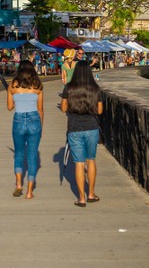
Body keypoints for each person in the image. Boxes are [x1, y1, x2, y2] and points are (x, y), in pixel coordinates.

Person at [60, 60, 103, 207]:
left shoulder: (69, 88)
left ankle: (81, 198)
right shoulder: (95, 88)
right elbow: (100, 111)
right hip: (91, 128)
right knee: (91, 160)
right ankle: (91, 193)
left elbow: (64, 108)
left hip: (74, 129)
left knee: (79, 163)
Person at [7, 60, 44, 199]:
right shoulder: (38, 85)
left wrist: (11, 94)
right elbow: (41, 109)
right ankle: (29, 191)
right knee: (32, 155)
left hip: (19, 119)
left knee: (19, 153)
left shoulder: (13, 85)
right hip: (35, 119)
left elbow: (10, 107)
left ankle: (18, 184)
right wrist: (42, 126)